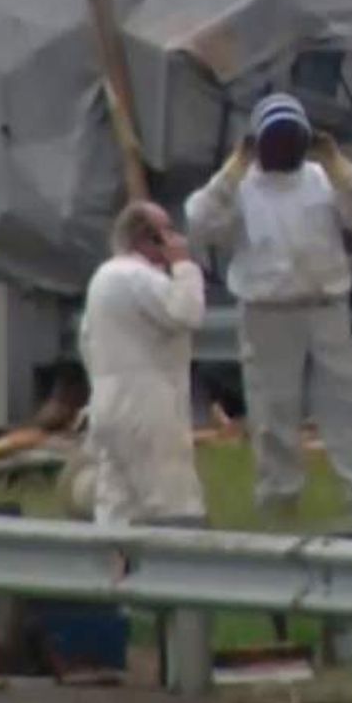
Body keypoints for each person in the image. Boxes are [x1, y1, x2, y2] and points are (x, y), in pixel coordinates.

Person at [185, 91, 352, 526]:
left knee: (347, 402)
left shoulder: (322, 179)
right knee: (272, 412)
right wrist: (233, 166)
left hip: (326, 308)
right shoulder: (241, 188)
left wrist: (338, 164)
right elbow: (199, 220)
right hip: (266, 314)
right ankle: (278, 502)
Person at [77, 200, 208, 527]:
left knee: (118, 503)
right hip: (146, 407)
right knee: (170, 498)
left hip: (107, 403)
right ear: (151, 240)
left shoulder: (103, 276)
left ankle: (113, 572)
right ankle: (177, 570)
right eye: (168, 234)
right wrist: (184, 267)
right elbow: (188, 312)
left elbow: (86, 341)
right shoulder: (139, 277)